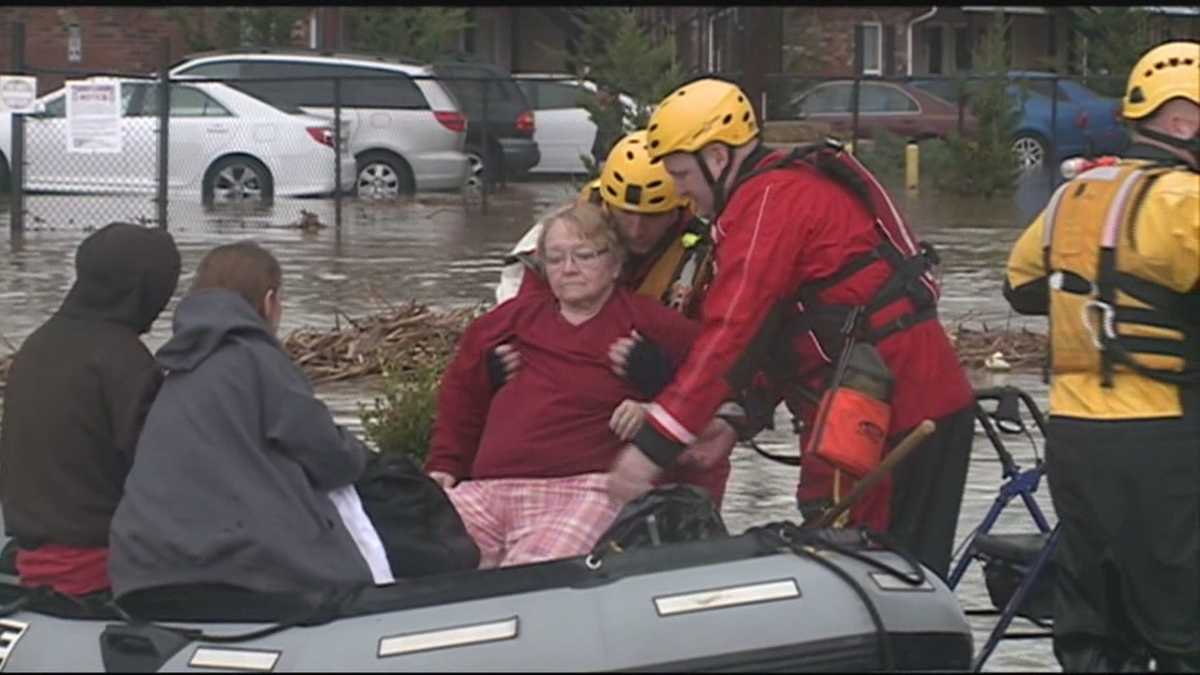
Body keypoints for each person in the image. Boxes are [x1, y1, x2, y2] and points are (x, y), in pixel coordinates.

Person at [605, 78, 976, 581]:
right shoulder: (770, 198)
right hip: (894, 403)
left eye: (680, 174)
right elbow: (782, 333)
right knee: (868, 564)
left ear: (716, 158)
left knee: (882, 574)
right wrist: (733, 421)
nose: (680, 193)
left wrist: (651, 449)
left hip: (899, 412)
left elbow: (731, 333)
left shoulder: (770, 204)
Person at [1003, 41, 1199, 672]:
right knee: (1181, 627)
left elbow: (1021, 286)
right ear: (1182, 120)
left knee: (1092, 624)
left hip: (1077, 442)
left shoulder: (1075, 194)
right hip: (1164, 443)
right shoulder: (1186, 205)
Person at [425, 201, 706, 568]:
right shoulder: (503, 324)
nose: (569, 269)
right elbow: (460, 397)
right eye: (556, 259)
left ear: (615, 263)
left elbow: (719, 382)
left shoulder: (651, 323)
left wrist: (656, 405)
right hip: (487, 490)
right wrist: (443, 464)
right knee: (413, 553)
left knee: (534, 574)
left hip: (586, 489)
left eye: (584, 255)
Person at [109, 241, 378, 602]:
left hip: (143, 569)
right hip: (242, 569)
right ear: (268, 302)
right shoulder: (259, 360)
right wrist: (365, 456)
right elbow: (329, 457)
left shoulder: (174, 369)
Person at [496, 130, 737, 507]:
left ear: (679, 207)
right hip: (577, 419)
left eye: (653, 216)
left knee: (694, 494)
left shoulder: (712, 252)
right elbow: (518, 328)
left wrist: (667, 380)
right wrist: (492, 370)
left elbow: (728, 355)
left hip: (676, 410)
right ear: (606, 204)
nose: (637, 229)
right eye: (627, 213)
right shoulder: (554, 242)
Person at [0, 222, 180, 597]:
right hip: (95, 563)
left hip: (32, 552)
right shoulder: (123, 360)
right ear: (140, 292)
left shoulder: (39, 344)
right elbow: (161, 476)